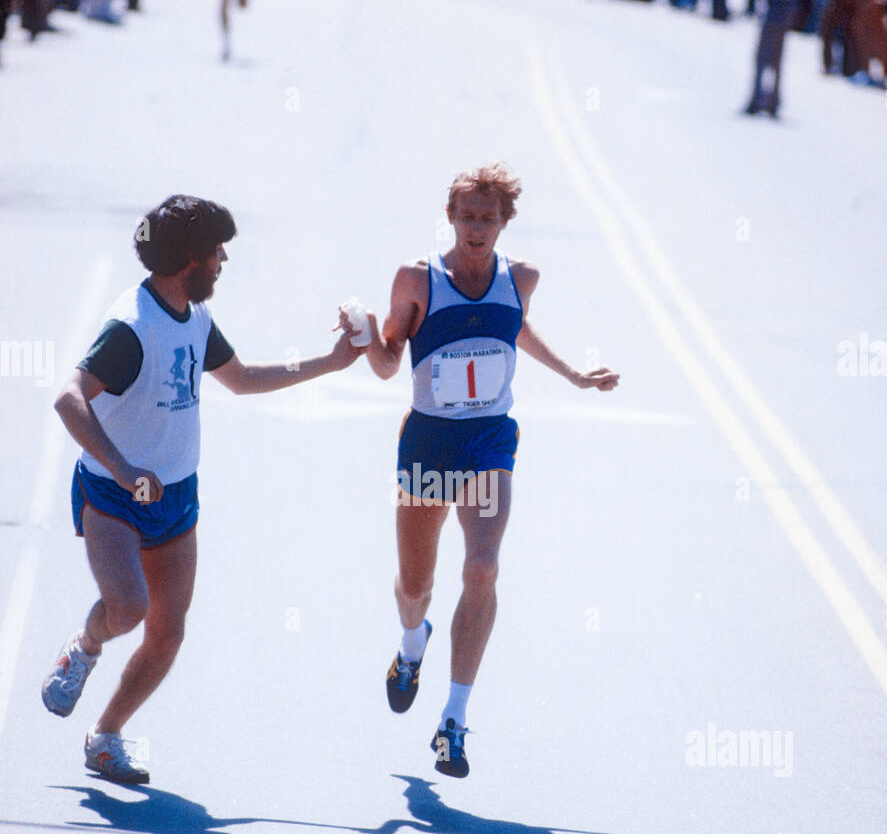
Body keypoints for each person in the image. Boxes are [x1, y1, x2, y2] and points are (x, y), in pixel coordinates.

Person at [42, 195, 364, 784]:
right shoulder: (132, 329)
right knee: (128, 609)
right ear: (189, 257)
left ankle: (106, 736)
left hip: (176, 498)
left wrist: (332, 362)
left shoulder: (192, 314)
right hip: (113, 493)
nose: (223, 261)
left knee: (167, 634)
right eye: (217, 251)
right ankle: (84, 648)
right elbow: (68, 397)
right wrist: (119, 467)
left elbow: (239, 380)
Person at [360, 163, 619, 777]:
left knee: (482, 567)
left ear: (505, 222)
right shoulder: (417, 278)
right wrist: (366, 333)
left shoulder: (521, 277)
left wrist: (575, 375)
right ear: (450, 218)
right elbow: (388, 362)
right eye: (468, 216)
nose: (477, 228)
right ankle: (411, 641)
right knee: (415, 586)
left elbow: (514, 327)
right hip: (428, 441)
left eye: (489, 217)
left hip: (488, 440)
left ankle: (452, 721)